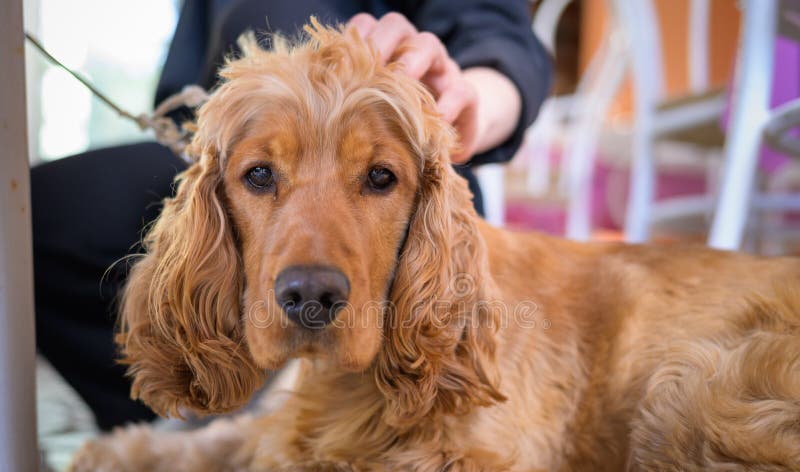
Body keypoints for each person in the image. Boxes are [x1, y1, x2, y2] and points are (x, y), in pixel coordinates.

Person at [32, 1, 552, 430]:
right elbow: (181, 90)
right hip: (222, 150)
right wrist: (242, 152)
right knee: (30, 216)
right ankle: (193, 418)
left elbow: (502, 44)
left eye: (375, 179)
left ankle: (356, 421)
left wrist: (466, 100)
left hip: (408, 160)